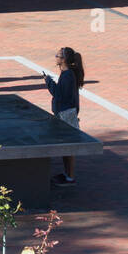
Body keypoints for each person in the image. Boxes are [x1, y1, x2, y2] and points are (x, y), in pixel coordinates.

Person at [44, 46, 85, 186]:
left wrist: (48, 81)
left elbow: (59, 94)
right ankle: (67, 174)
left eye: (57, 55)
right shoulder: (67, 73)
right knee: (66, 146)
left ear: (63, 59)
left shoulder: (68, 76)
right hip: (65, 112)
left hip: (66, 114)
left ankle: (70, 177)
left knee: (68, 146)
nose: (55, 57)